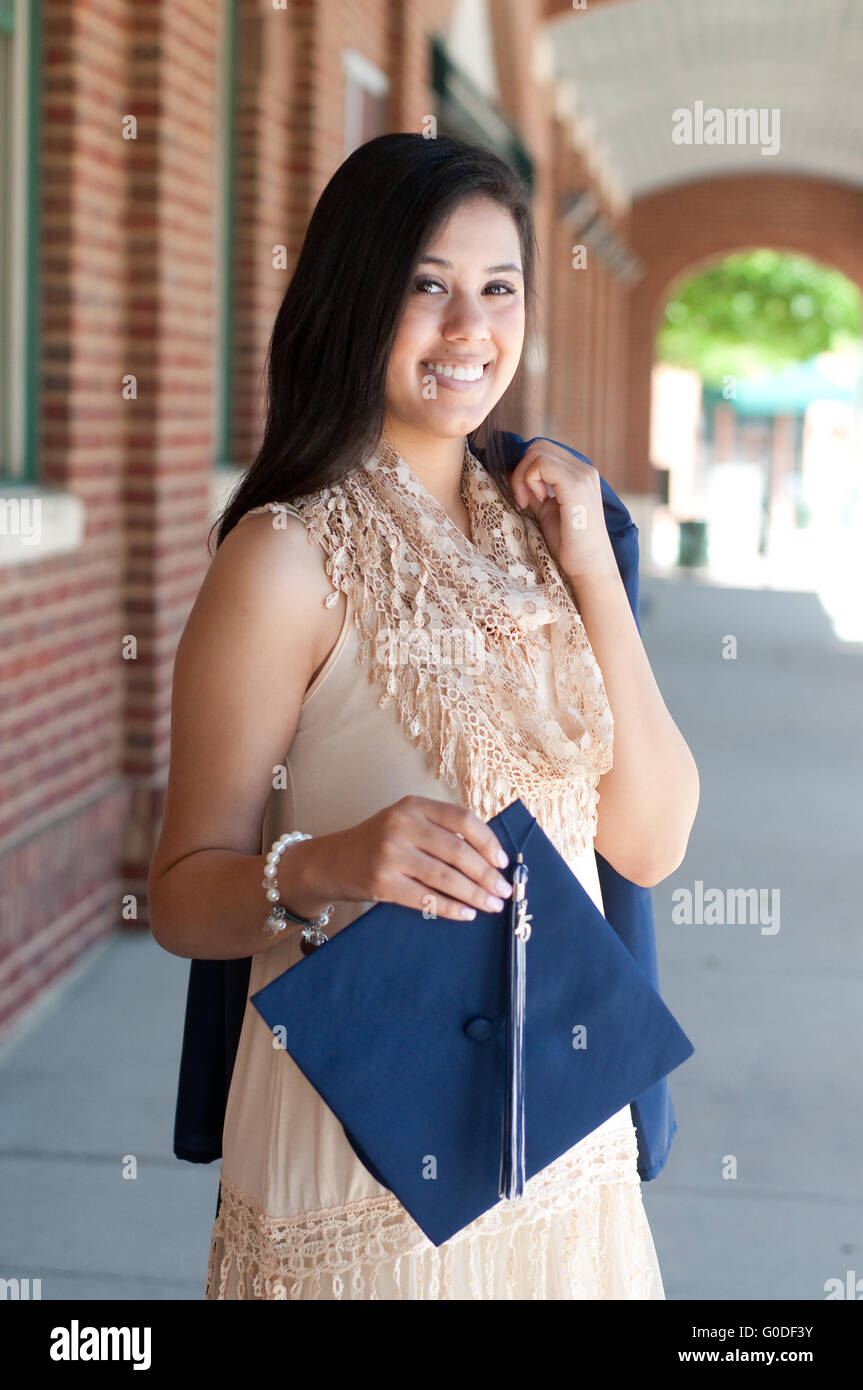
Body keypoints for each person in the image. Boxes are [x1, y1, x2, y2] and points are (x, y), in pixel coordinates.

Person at [148, 132, 699, 1300]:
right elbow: (182, 894)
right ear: (357, 296)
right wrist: (332, 862)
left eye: (497, 288)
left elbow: (647, 843)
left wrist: (593, 562)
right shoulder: (284, 558)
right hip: (365, 1177)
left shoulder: (546, 529)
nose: (469, 330)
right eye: (427, 286)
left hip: (562, 1146)